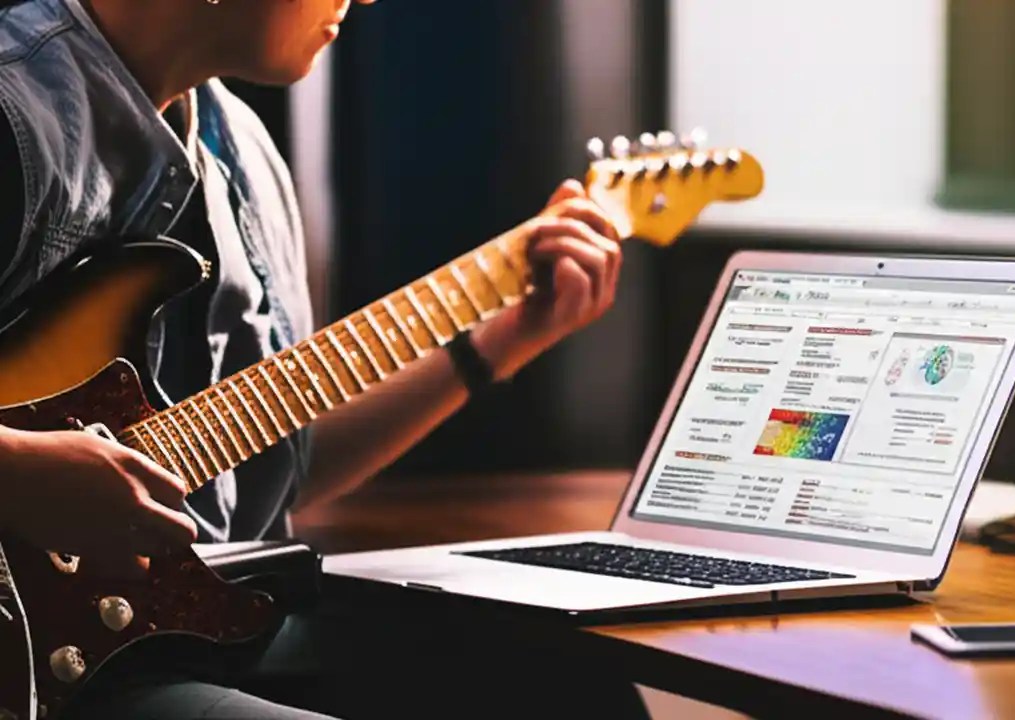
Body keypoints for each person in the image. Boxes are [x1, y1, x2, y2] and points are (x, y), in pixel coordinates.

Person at [0, 0, 648, 717]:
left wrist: (502, 340)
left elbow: (278, 462)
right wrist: (20, 473)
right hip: (41, 672)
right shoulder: (15, 114)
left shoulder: (240, 152)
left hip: (183, 623)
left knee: (572, 686)